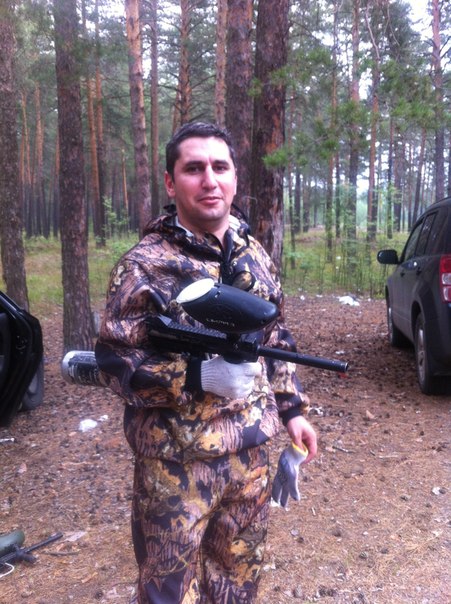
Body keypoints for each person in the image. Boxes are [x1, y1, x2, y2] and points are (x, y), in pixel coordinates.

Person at [95, 121, 318, 604]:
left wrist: (293, 410)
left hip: (251, 457)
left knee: (237, 584)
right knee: (168, 593)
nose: (209, 180)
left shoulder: (253, 252)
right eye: (194, 168)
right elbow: (116, 361)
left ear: (235, 177)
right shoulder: (144, 266)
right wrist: (197, 376)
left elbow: (275, 335)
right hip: (175, 466)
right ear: (171, 182)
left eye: (220, 167)